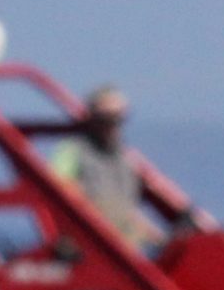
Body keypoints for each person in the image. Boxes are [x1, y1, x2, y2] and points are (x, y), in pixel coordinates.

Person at [44, 84, 172, 254]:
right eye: (106, 118)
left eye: (118, 118)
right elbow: (61, 188)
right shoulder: (72, 150)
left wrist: (160, 239)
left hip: (126, 250)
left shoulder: (125, 159)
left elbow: (127, 211)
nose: (113, 125)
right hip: (88, 246)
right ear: (91, 117)